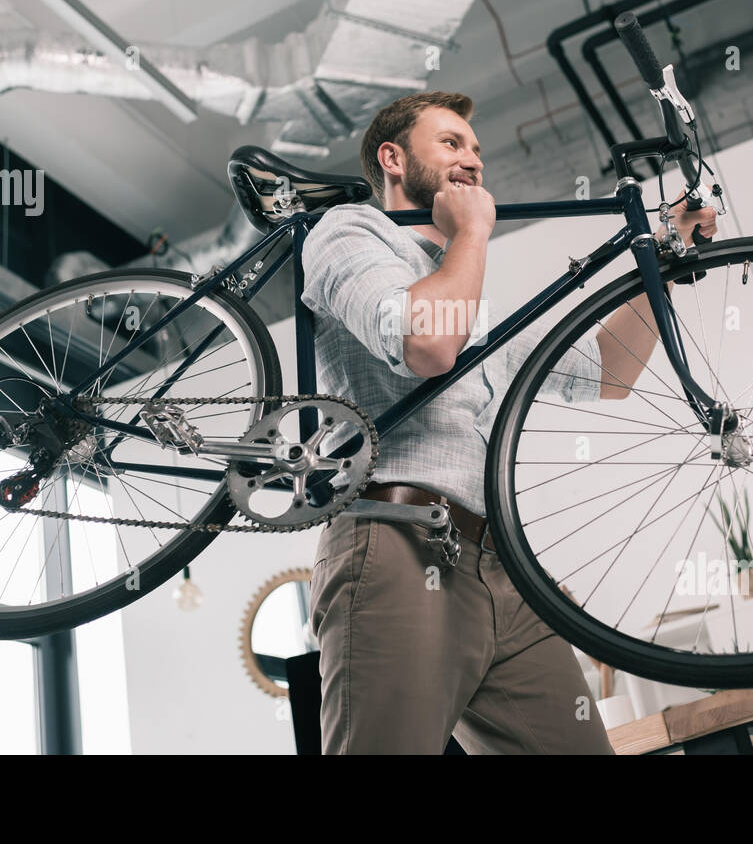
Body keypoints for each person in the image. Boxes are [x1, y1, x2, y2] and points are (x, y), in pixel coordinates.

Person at [301, 91, 717, 754]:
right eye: (451, 143)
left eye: (476, 147)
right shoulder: (349, 233)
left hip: (503, 572)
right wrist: (472, 231)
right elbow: (427, 344)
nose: (473, 158)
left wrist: (662, 259)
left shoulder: (467, 303)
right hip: (398, 543)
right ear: (394, 158)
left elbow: (610, 372)